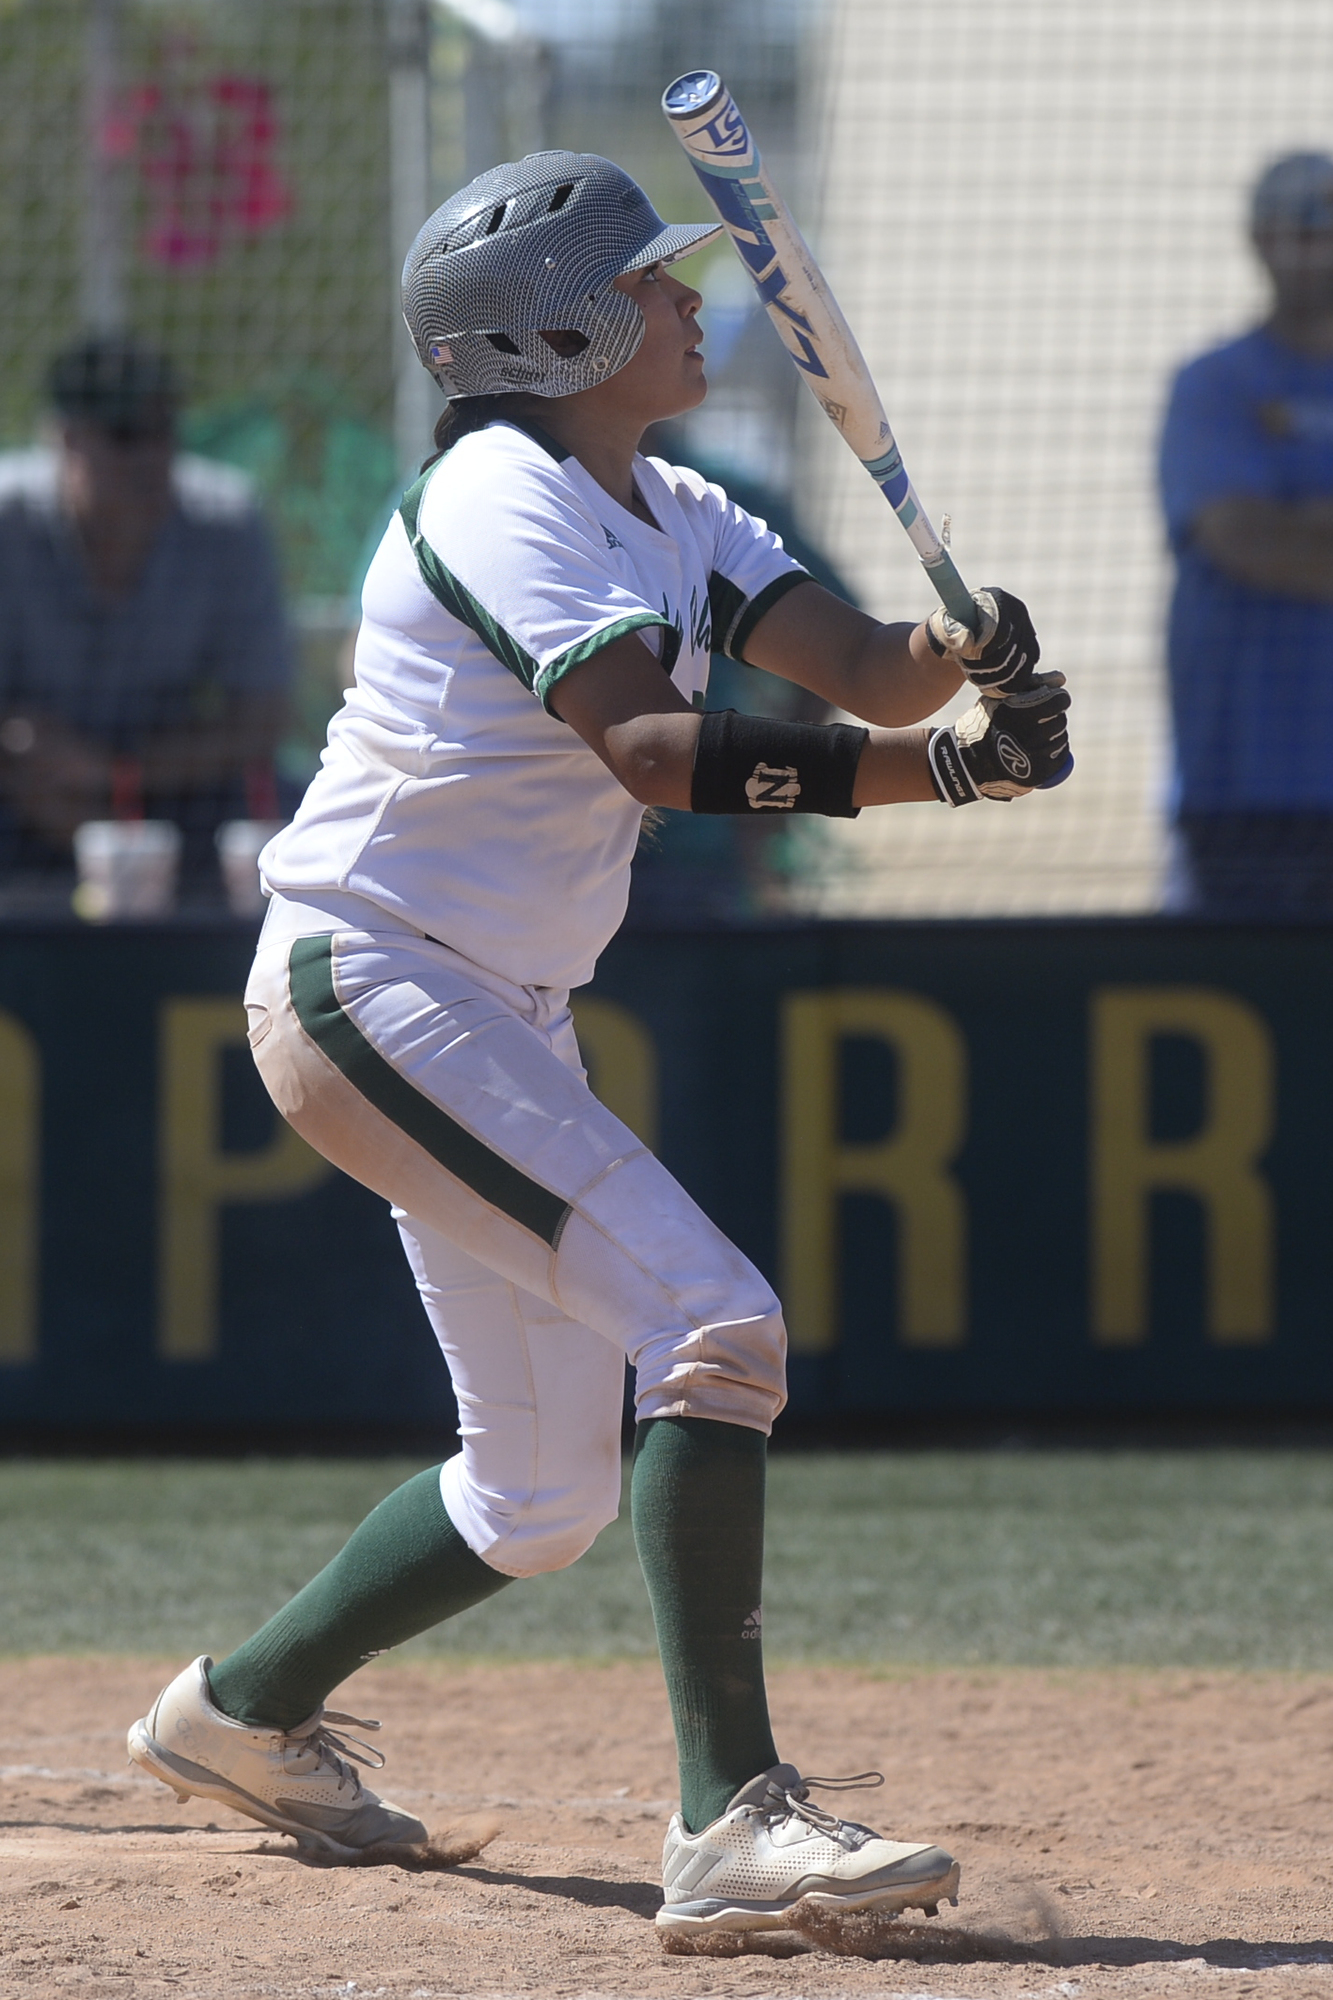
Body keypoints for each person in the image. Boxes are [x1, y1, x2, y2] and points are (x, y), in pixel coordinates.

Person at [126, 151, 1069, 1939]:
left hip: (490, 1009)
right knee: (713, 1320)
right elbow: (649, 751)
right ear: (549, 333)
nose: (690, 302)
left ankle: (235, 1715)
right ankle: (732, 1823)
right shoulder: (500, 495)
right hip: (375, 980)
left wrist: (954, 659)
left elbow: (860, 672)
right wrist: (944, 773)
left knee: (536, 1496)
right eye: (649, 285)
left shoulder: (668, 502)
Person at [0, 335, 291, 881]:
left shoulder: (226, 522)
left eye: (164, 430)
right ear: (63, 438)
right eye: (125, 434)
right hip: (24, 795)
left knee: (294, 816)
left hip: (170, 791)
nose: (153, 455)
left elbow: (261, 718)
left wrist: (114, 775)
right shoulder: (7, 522)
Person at [1159, 153, 1333, 916]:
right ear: (1260, 242)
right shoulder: (1213, 386)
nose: (1316, 250)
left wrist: (1291, 519)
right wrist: (1279, 532)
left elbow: (1268, 534)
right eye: (1298, 230)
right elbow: (1238, 539)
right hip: (1245, 779)